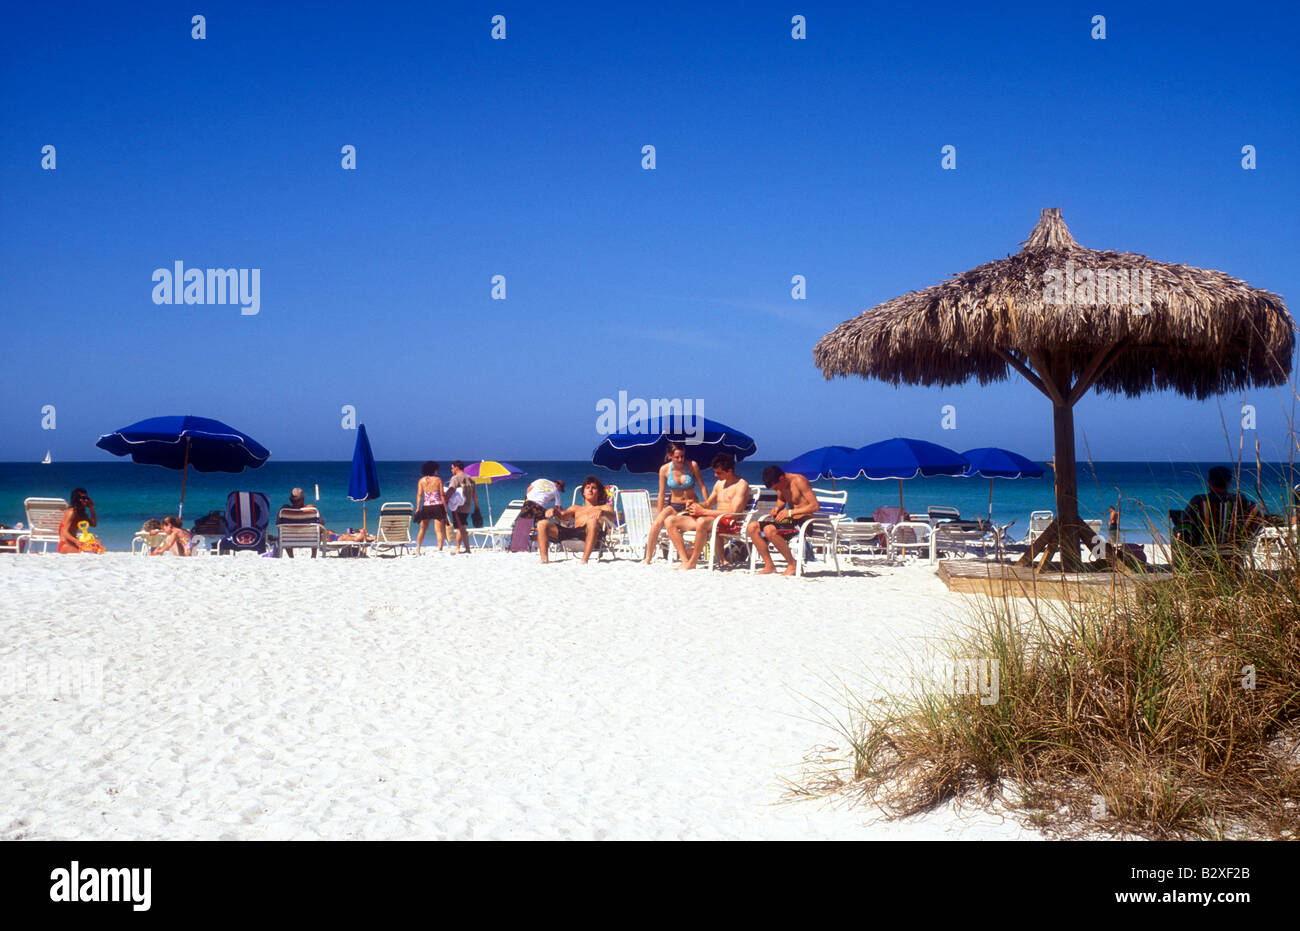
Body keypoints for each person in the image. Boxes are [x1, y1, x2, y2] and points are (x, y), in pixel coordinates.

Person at [673, 453, 752, 570]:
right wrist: (695, 504)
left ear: (729, 471)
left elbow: (732, 513)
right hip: (713, 519)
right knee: (671, 521)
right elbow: (708, 504)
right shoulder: (719, 483)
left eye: (719, 473)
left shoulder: (741, 485)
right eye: (715, 472)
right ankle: (685, 560)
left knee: (702, 522)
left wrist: (703, 511)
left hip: (730, 522)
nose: (715, 475)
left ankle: (693, 561)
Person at [747, 465, 819, 576]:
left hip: (804, 523)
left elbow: (814, 506)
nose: (777, 490)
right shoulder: (782, 485)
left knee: (769, 529)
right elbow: (781, 500)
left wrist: (790, 512)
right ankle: (769, 566)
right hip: (789, 522)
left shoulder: (799, 481)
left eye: (776, 488)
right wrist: (777, 508)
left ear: (781, 478)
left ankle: (792, 564)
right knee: (752, 527)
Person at [643, 442, 708, 564]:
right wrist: (659, 511)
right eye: (677, 457)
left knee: (702, 526)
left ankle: (689, 554)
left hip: (691, 506)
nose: (680, 459)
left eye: (682, 456)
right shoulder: (664, 470)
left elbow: (702, 486)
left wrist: (708, 504)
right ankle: (648, 557)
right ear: (669, 456)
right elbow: (661, 493)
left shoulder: (692, 466)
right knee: (656, 524)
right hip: (674, 505)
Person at [1180, 465, 1262, 556]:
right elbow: (1257, 521)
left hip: (1202, 557)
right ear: (1229, 484)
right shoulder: (1242, 502)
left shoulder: (1198, 502)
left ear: (1209, 483)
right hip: (1233, 557)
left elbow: (1184, 528)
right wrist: (1241, 542)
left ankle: (1182, 565)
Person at [536, 476, 615, 564]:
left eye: (594, 488)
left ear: (599, 492)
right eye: (587, 487)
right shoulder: (576, 508)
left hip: (590, 536)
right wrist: (553, 511)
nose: (590, 490)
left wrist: (603, 512)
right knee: (542, 523)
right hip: (571, 533)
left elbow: (612, 516)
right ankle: (544, 559)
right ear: (583, 492)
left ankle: (584, 560)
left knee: (592, 522)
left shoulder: (604, 507)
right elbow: (562, 515)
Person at [276, 488, 325, 558]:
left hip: (288, 540)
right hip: (311, 539)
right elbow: (322, 523)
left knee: (282, 531)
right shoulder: (311, 509)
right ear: (303, 499)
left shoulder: (284, 510)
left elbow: (277, 524)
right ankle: (313, 555)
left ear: (291, 500)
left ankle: (291, 556)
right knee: (319, 530)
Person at [413, 461, 448, 554]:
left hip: (426, 506)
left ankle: (418, 549)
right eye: (436, 469)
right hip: (437, 506)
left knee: (422, 529)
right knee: (439, 530)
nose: (437, 470)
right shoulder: (438, 480)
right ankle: (440, 549)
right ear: (433, 470)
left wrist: (417, 508)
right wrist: (445, 508)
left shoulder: (421, 481)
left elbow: (419, 495)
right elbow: (442, 495)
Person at [445, 460, 479, 554]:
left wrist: (445, 500)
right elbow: (474, 495)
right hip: (468, 506)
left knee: (462, 527)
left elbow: (451, 490)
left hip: (458, 506)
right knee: (461, 526)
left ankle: (466, 549)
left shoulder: (455, 478)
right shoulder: (471, 479)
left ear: (456, 467)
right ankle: (459, 547)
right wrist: (477, 506)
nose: (451, 470)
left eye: (452, 468)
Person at [58, 487, 97, 554]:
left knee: (95, 551)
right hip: (65, 545)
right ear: (77, 499)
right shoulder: (72, 512)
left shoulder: (81, 513)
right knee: (87, 554)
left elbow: (93, 524)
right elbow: (64, 532)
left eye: (87, 498)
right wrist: (76, 541)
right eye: (83, 498)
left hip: (73, 544)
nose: (86, 500)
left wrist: (92, 509)